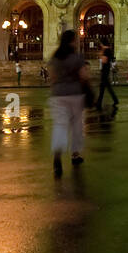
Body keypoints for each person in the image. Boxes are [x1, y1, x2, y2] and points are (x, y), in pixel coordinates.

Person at [49, 29, 90, 176]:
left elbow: (52, 77)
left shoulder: (55, 57)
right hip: (74, 94)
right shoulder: (77, 58)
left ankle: (57, 154)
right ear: (72, 41)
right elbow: (84, 76)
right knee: (77, 125)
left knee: (60, 125)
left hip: (58, 95)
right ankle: (75, 155)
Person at [95, 40, 119, 109]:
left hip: (105, 71)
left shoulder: (106, 51)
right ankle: (114, 100)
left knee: (103, 88)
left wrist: (102, 51)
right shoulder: (108, 50)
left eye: (101, 44)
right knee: (105, 87)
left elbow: (103, 60)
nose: (100, 46)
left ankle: (99, 102)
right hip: (106, 70)